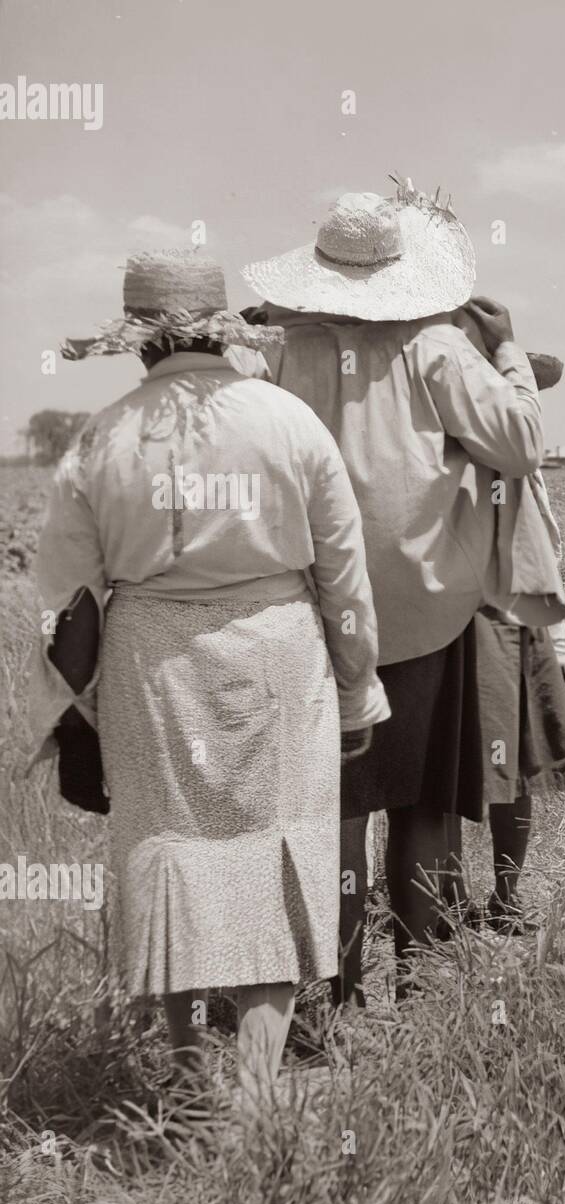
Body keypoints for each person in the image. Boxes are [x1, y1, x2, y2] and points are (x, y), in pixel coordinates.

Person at [32, 251, 388, 1101]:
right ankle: (262, 1085)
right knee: (277, 851)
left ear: (138, 340)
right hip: (277, 654)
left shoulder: (100, 437)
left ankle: (189, 1078)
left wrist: (69, 713)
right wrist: (358, 686)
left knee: (173, 852)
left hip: (151, 665)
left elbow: (65, 602)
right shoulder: (291, 422)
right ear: (222, 329)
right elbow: (343, 576)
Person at [242, 182, 565, 994]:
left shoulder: (283, 351)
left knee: (336, 810)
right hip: (428, 606)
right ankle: (420, 977)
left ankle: (339, 985)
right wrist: (509, 356)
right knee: (422, 805)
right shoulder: (436, 348)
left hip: (314, 610)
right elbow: (521, 443)